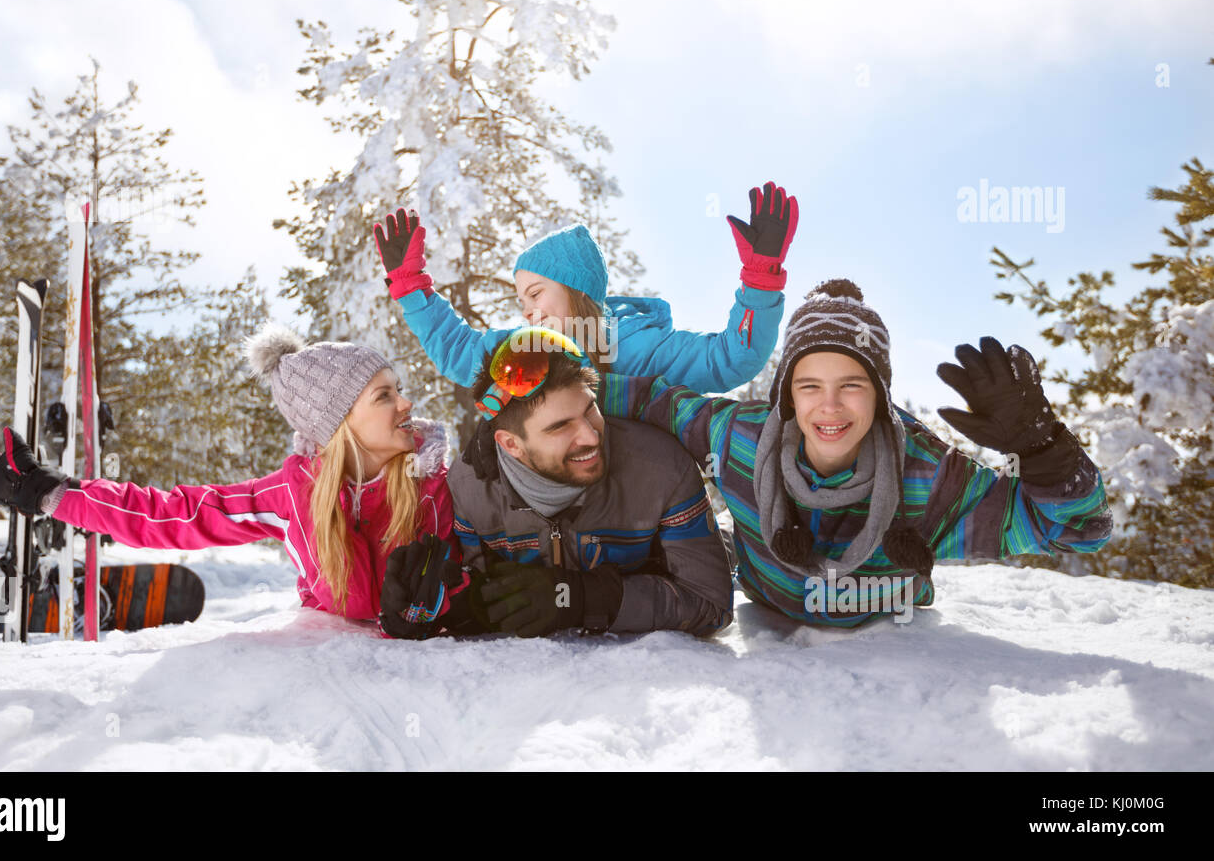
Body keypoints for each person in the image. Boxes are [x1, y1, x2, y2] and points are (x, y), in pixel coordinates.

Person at [596, 278, 1114, 626]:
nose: (829, 407)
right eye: (808, 386)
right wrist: (541, 382)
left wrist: (1044, 449)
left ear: (881, 396)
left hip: (888, 650)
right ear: (785, 394)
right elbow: (648, 401)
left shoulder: (929, 478)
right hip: (765, 617)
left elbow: (1080, 531)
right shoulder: (738, 437)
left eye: (852, 385)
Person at [0, 325, 465, 640]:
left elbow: (497, 556)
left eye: (398, 389)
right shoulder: (292, 496)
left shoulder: (438, 482)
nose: (406, 404)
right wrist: (49, 493)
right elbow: (173, 515)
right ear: (337, 424)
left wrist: (448, 603)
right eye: (384, 395)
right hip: (323, 681)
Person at [372, 180, 799, 393]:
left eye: (536, 293)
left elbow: (731, 359)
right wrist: (411, 288)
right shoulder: (522, 350)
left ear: (578, 293)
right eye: (521, 300)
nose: (525, 309)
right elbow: (456, 350)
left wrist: (760, 281)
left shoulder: (636, 347)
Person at [444, 326, 735, 638]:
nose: (591, 435)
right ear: (511, 444)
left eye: (590, 409)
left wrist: (584, 598)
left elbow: (712, 604)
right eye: (560, 427)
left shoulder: (661, 468)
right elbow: (473, 586)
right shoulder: (468, 487)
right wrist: (442, 606)